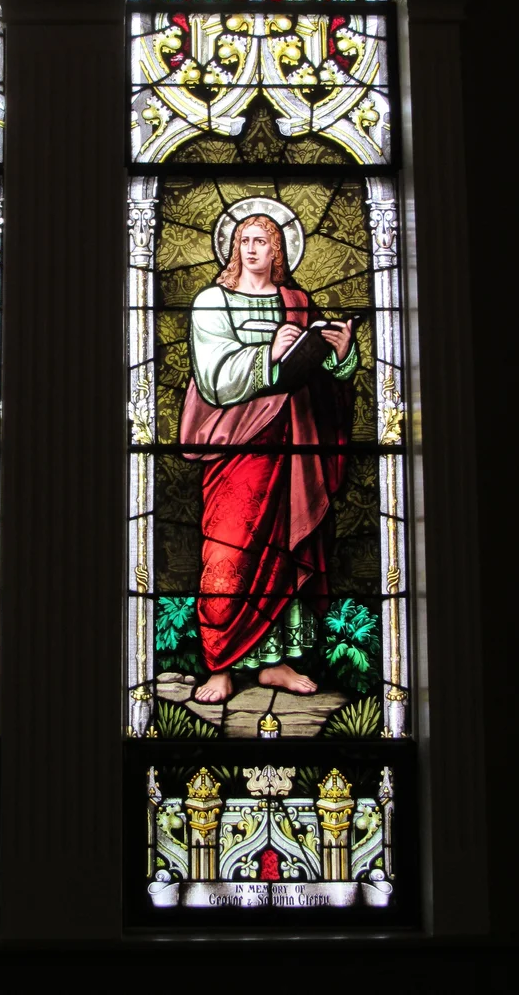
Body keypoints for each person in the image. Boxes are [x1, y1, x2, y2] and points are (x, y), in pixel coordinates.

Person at [180, 210, 356, 701]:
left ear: (278, 251)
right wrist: (269, 354)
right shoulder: (211, 301)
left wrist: (338, 355)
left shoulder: (296, 302)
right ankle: (220, 663)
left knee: (282, 552)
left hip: (290, 444)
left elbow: (320, 384)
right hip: (235, 445)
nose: (252, 249)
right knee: (228, 552)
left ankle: (274, 662)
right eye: (244, 240)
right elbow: (213, 376)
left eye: (263, 241)